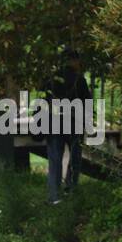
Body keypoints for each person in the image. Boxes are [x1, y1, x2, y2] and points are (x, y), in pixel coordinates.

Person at [47, 50, 91, 204]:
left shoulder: (51, 79)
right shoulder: (79, 80)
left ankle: (54, 196)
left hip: (53, 124)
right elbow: (87, 104)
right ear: (74, 61)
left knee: (55, 159)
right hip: (74, 124)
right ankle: (71, 188)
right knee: (75, 158)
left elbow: (42, 101)